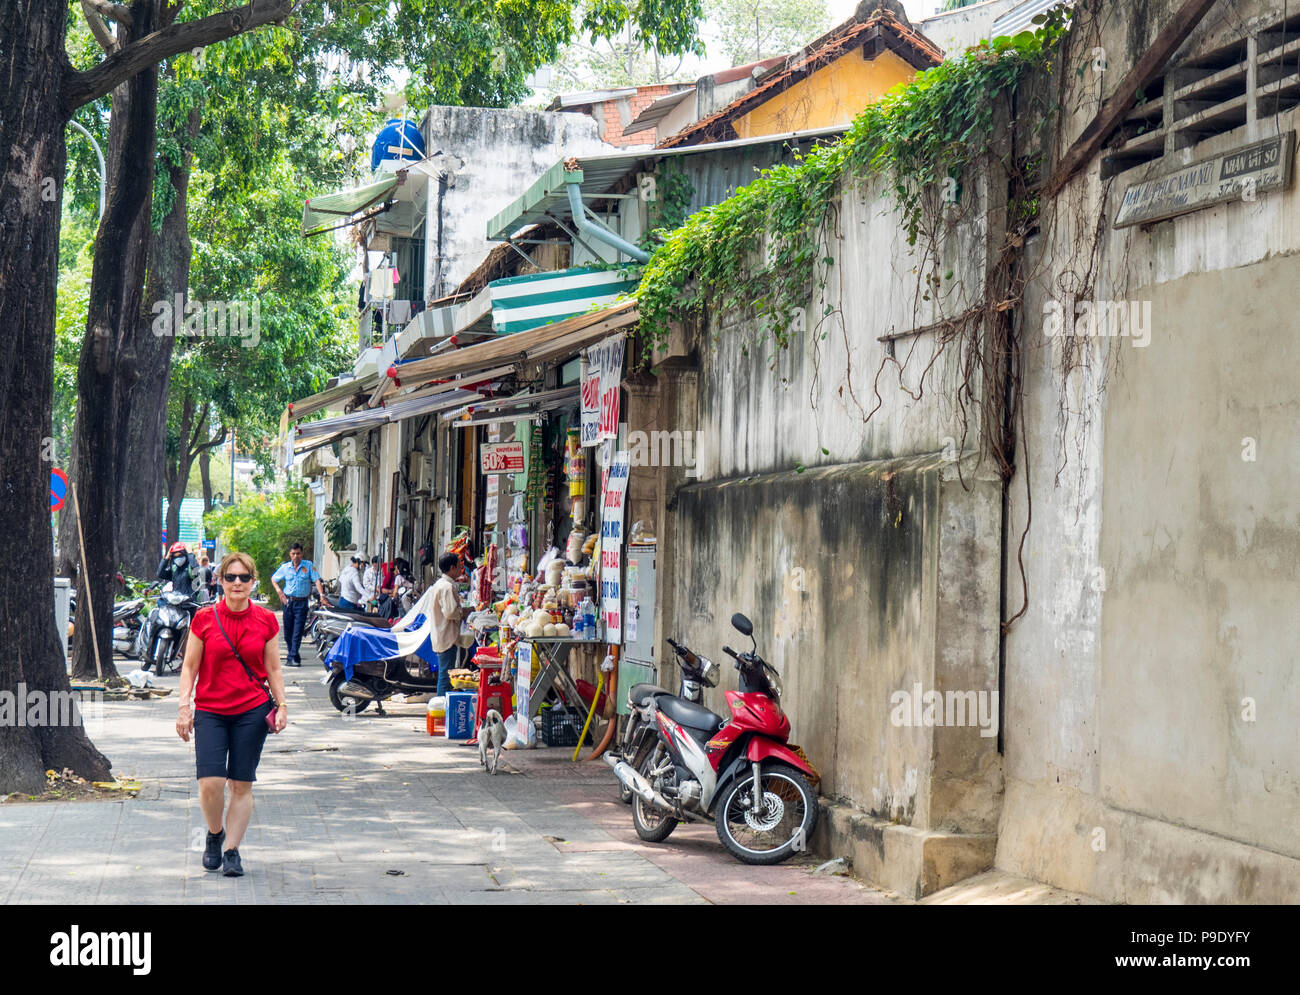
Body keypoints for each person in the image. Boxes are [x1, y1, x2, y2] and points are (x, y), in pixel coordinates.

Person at [176, 552, 287, 878]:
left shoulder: (266, 620)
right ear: (220, 581)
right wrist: (185, 705)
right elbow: (190, 666)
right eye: (230, 577)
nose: (237, 583)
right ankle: (214, 834)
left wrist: (282, 705)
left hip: (251, 712)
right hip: (211, 710)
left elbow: (273, 667)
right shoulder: (205, 619)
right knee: (210, 782)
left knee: (241, 784)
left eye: (243, 578)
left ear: (253, 582)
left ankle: (232, 850)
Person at [270, 542, 325, 667]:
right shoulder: (285, 567)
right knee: (288, 631)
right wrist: (279, 591)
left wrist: (322, 595)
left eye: (298, 553)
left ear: (302, 554)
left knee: (298, 630)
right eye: (293, 553)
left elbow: (316, 580)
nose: (296, 556)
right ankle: (293, 655)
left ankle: (293, 656)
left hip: (301, 603)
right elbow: (274, 579)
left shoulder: (308, 566)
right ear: (290, 554)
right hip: (288, 602)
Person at [432, 552, 463, 697]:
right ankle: (442, 710)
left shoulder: (441, 584)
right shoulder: (446, 587)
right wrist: (464, 612)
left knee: (445, 675)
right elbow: (451, 613)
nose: (461, 569)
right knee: (445, 678)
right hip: (446, 636)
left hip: (443, 635)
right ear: (452, 568)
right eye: (459, 566)